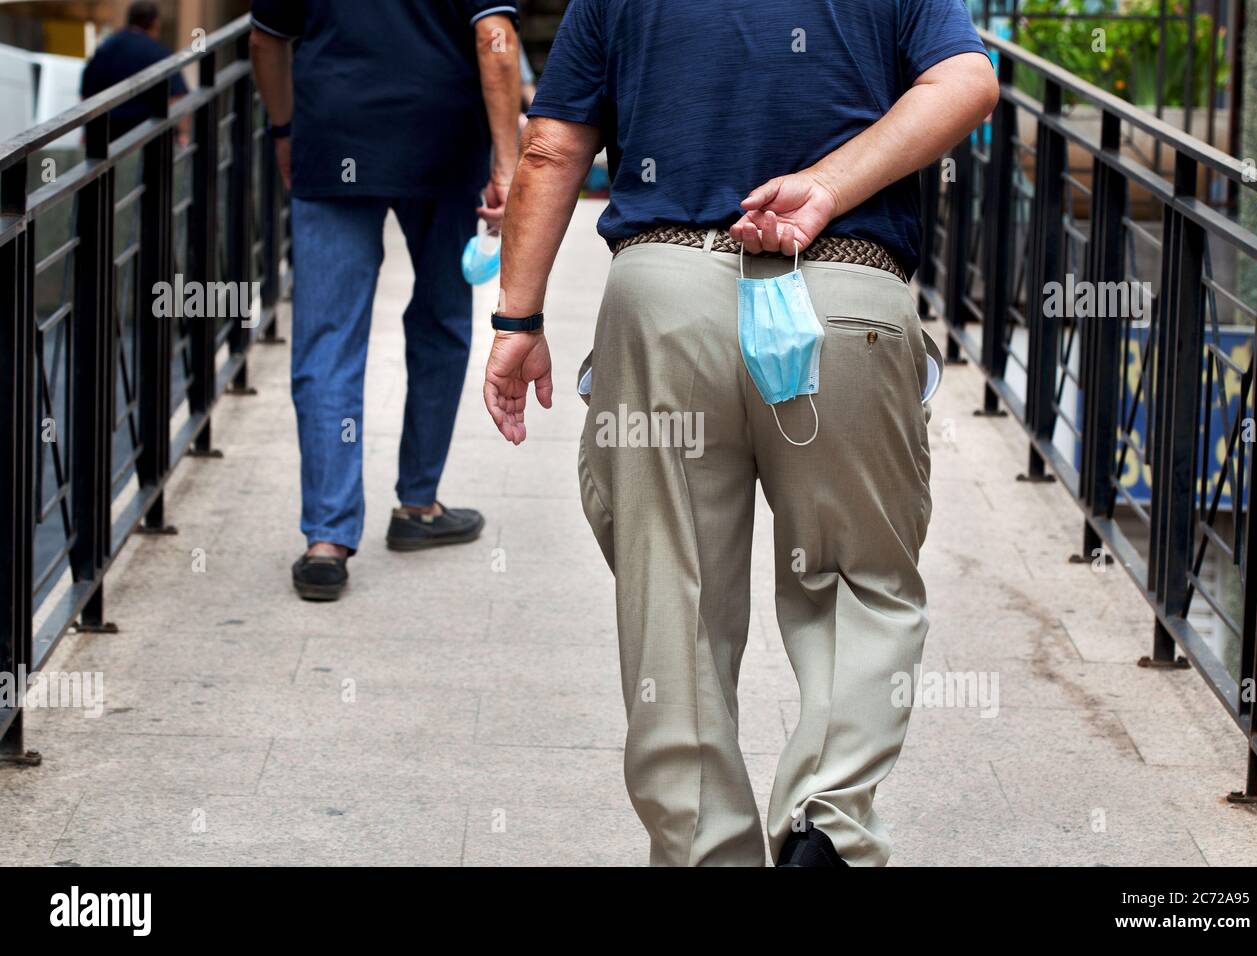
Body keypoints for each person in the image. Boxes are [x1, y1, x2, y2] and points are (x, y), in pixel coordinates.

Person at [484, 0, 998, 866]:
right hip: (843, 291)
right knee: (856, 579)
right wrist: (830, 186)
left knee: (671, 591)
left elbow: (551, 144)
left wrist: (517, 319)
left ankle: (700, 844)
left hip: (666, 304)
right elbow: (968, 80)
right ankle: (826, 827)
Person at [249, 0, 521, 602]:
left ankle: (326, 540)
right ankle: (417, 506)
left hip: (331, 141)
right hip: (443, 147)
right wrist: (508, 164)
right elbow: (494, 40)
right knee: (442, 321)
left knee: (327, 338)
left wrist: (284, 130)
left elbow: (266, 42)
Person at [80, 1, 188, 140]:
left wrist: (86, 131)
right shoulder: (159, 53)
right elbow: (176, 97)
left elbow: (86, 94)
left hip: (105, 138)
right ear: (155, 23)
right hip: (148, 136)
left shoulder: (105, 49)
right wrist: (182, 133)